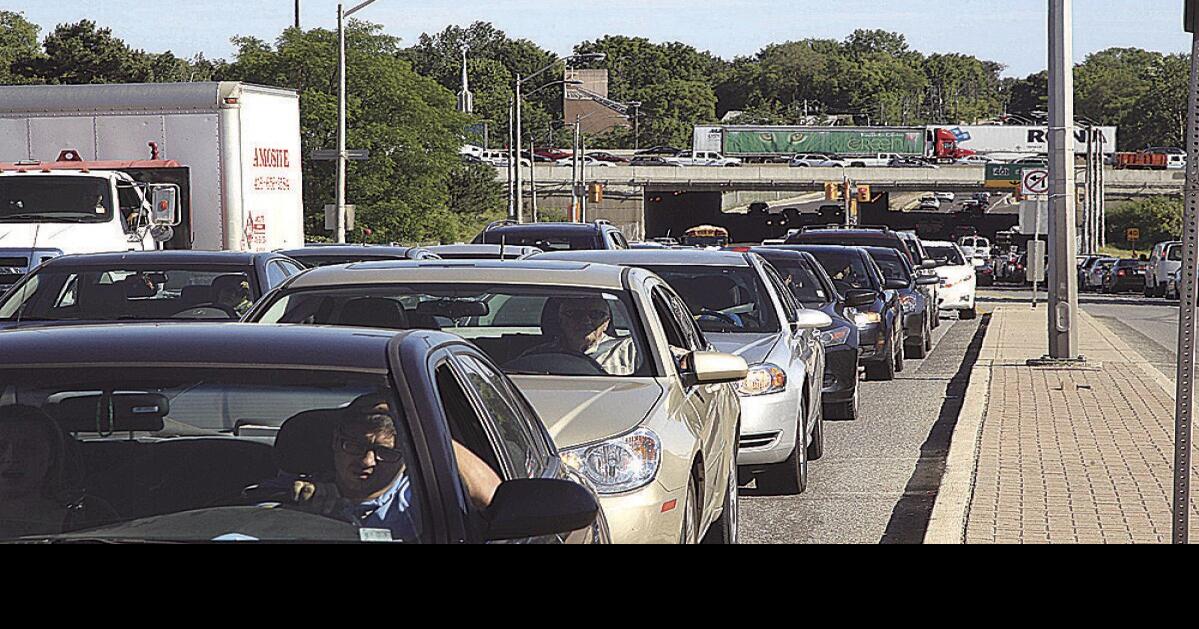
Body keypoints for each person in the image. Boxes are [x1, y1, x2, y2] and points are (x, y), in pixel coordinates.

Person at [0, 406, 70, 538]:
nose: (12, 458)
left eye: (27, 448)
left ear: (51, 457)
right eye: (0, 446)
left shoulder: (88, 514)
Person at [522, 296, 638, 376]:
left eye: (596, 314)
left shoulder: (632, 352)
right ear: (561, 320)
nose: (585, 321)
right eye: (575, 314)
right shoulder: (538, 357)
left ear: (606, 322)